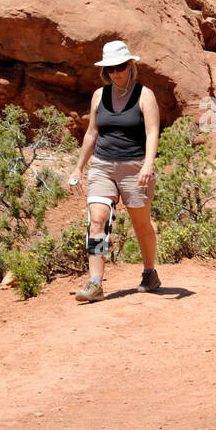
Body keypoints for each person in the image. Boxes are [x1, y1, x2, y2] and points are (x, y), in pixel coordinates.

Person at [68, 40, 161, 301]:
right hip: (102, 166)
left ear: (130, 65)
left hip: (134, 167)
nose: (116, 72)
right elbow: (92, 132)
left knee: (141, 226)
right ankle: (95, 283)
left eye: (120, 67)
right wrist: (78, 166)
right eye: (111, 69)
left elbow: (152, 132)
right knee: (97, 219)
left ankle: (149, 272)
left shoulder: (145, 95)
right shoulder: (99, 95)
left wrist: (148, 164)